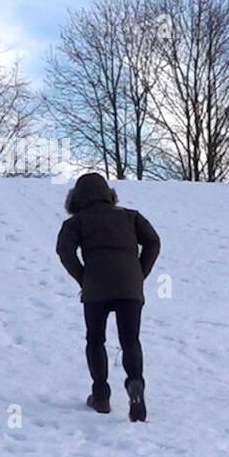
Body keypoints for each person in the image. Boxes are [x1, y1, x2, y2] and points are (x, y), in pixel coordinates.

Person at [55, 172, 161, 422]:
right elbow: (153, 242)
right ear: (109, 194)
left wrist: (83, 277)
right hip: (130, 288)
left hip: (96, 288)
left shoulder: (76, 222)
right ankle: (135, 384)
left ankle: (101, 396)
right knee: (130, 340)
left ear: (76, 199)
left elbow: (64, 250)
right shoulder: (130, 216)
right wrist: (139, 272)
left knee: (95, 340)